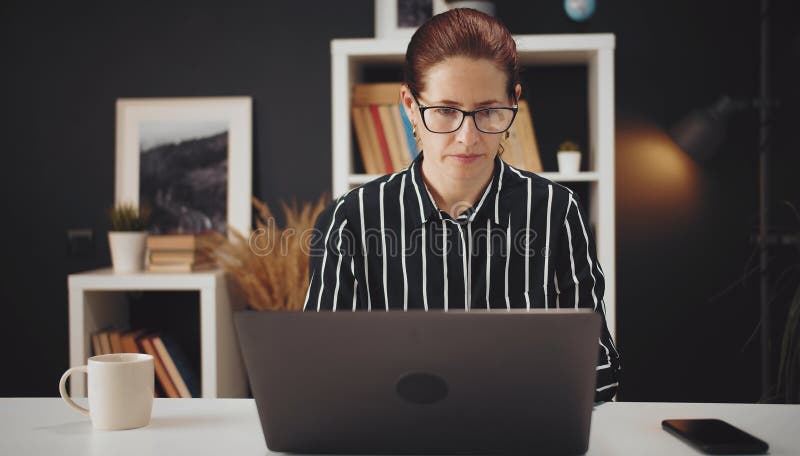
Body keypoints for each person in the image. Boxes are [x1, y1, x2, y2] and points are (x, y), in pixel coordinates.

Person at [304, 8, 621, 402]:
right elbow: (320, 371)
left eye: (488, 111)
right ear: (409, 105)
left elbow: (601, 367)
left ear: (514, 104)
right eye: (445, 111)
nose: (467, 137)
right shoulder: (349, 219)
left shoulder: (557, 211)